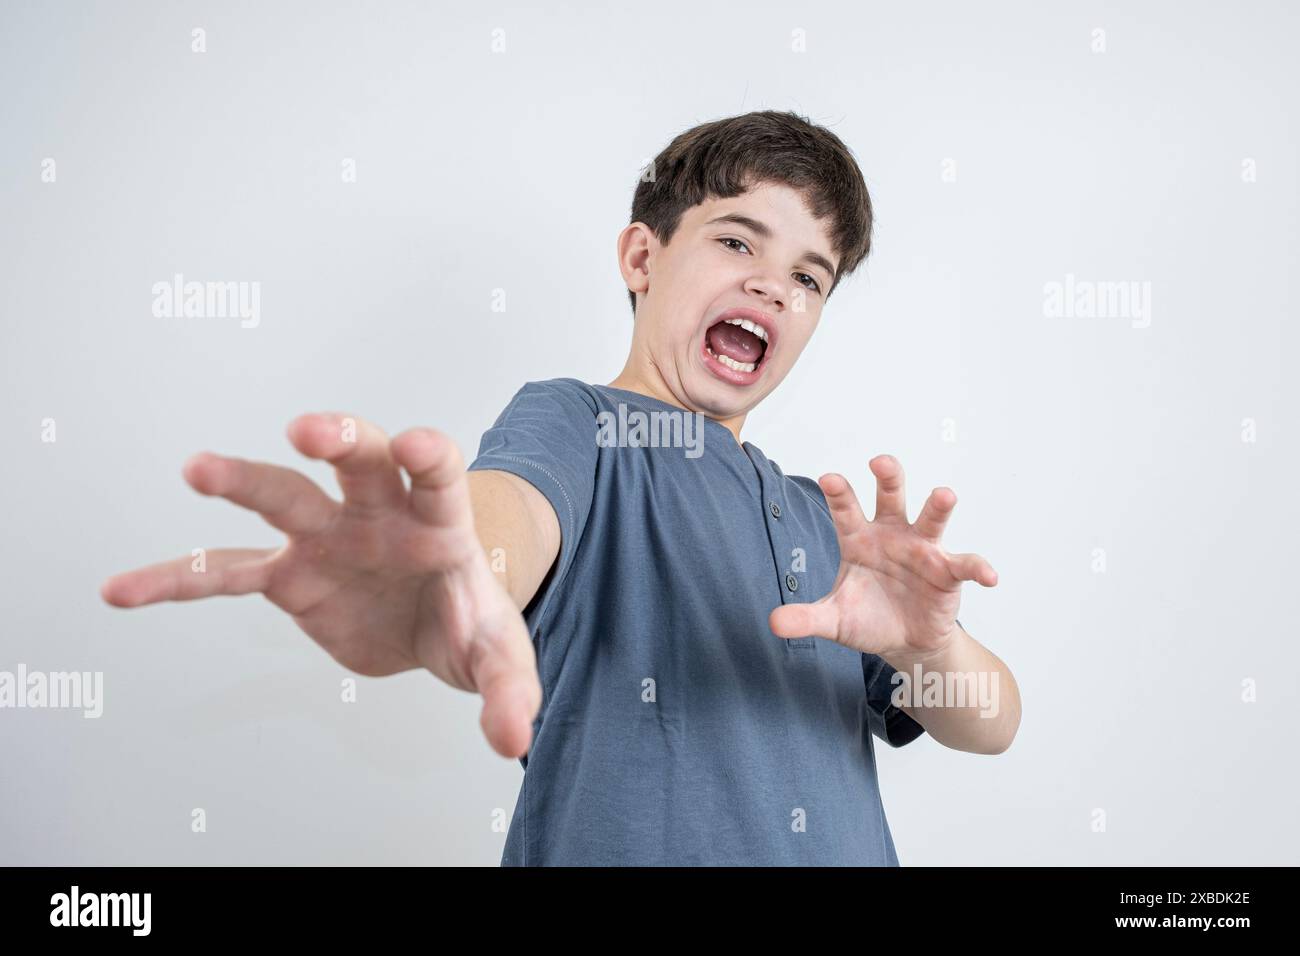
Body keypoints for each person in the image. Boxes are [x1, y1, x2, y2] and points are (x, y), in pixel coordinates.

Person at [101, 110, 1020, 865]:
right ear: (642, 259)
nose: (774, 287)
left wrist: (927, 648)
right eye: (738, 240)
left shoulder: (834, 532)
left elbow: (991, 724)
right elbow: (501, 528)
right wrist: (445, 575)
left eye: (808, 277)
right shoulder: (580, 426)